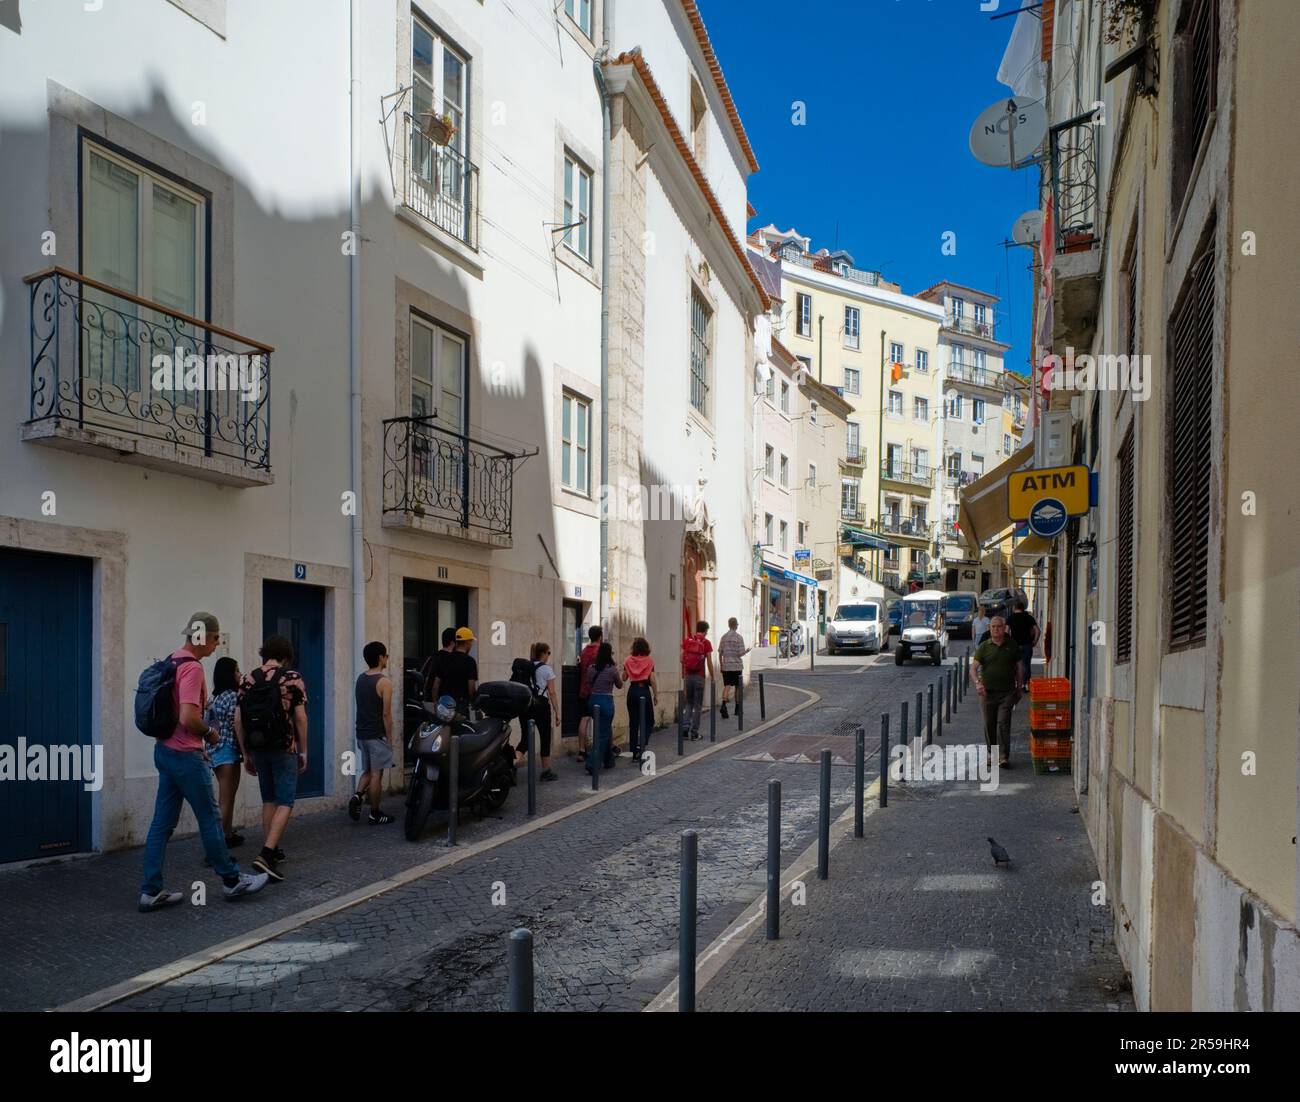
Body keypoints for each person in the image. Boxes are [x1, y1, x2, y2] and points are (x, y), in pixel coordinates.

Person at [138, 612, 268, 911]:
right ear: (204, 637)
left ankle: (150, 890)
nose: (217, 643)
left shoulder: (172, 660)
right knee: (210, 818)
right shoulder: (193, 668)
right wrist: (209, 734)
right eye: (216, 637)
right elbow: (188, 717)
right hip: (185, 756)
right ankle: (232, 880)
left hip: (165, 752)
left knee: (161, 824)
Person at [236, 634, 309, 882]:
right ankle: (267, 854)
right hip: (283, 747)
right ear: (286, 656)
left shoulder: (248, 678)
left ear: (263, 653)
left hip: (258, 748)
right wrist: (304, 750)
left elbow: (238, 718)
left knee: (268, 798)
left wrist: (246, 752)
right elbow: (300, 718)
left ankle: (272, 850)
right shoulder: (292, 678)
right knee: (286, 801)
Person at [970, 615, 1027, 768]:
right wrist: (977, 683)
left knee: (1003, 722)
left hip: (1007, 692)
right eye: (993, 627)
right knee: (989, 724)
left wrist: (1020, 686)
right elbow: (973, 668)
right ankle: (993, 754)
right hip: (987, 693)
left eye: (999, 626)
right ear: (990, 629)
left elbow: (1019, 667)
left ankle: (1003, 756)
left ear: (1004, 628)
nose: (996, 629)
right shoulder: (984, 646)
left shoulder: (1012, 645)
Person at [350, 640, 395, 825]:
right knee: (377, 774)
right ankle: (375, 813)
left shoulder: (361, 679)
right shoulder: (384, 682)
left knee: (367, 770)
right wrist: (389, 737)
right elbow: (386, 713)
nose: (387, 659)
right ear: (380, 658)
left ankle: (357, 795)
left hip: (362, 733)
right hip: (377, 734)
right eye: (386, 655)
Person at [205, 656, 244, 847]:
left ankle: (227, 834)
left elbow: (209, 724)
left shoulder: (214, 697)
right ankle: (217, 845)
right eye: (237, 671)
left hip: (215, 750)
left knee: (227, 796)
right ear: (230, 674)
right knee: (225, 799)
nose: (240, 674)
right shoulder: (232, 695)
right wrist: (245, 749)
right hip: (228, 749)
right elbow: (236, 724)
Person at [515, 642, 559, 782]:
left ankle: (511, 765)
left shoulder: (527, 667)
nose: (548, 656)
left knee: (525, 739)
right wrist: (557, 712)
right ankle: (546, 771)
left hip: (526, 705)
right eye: (548, 653)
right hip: (541, 706)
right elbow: (552, 692)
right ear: (544, 653)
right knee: (545, 737)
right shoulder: (547, 669)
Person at [584, 641, 622, 771]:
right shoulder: (612, 669)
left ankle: (609, 760)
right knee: (602, 734)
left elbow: (589, 683)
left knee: (605, 730)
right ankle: (592, 763)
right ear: (609, 654)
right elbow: (620, 685)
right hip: (606, 701)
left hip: (593, 700)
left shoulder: (591, 668)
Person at [622, 638, 658, 763]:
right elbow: (652, 679)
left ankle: (634, 751)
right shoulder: (649, 660)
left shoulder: (628, 660)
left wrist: (626, 669)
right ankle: (641, 743)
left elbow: (624, 678)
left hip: (632, 691)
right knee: (649, 720)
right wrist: (656, 695)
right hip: (644, 691)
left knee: (634, 722)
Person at [680, 620, 715, 740]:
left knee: (689, 703)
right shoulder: (706, 643)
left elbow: (681, 658)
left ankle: (684, 729)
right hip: (699, 677)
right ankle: (694, 733)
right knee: (698, 706)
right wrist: (713, 676)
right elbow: (709, 662)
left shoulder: (688, 640)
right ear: (705, 631)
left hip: (688, 676)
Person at [431, 627, 478, 712]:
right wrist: (475, 704)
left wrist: (436, 705)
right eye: (471, 642)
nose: (471, 645)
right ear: (467, 642)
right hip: (460, 707)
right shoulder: (470, 662)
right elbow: (471, 689)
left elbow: (435, 686)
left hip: (444, 706)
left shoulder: (444, 659)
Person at [576, 625, 602, 763]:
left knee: (584, 719)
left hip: (583, 689)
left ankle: (581, 750)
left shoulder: (584, 651)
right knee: (601, 720)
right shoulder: (600, 651)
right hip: (597, 690)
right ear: (600, 636)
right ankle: (600, 749)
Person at [717, 618, 748, 719]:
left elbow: (720, 652)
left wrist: (721, 664)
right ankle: (737, 708)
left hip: (726, 666)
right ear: (736, 625)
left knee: (727, 685)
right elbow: (740, 653)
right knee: (738, 687)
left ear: (729, 625)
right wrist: (747, 651)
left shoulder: (723, 637)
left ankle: (723, 704)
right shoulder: (739, 638)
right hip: (736, 666)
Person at [1007, 598, 1040, 682]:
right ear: (1023, 608)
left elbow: (1006, 631)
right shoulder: (1028, 617)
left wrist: (1008, 642)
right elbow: (1037, 630)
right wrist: (1034, 642)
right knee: (1026, 664)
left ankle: (1016, 682)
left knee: (1014, 665)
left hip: (1014, 645)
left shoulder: (1011, 617)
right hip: (1027, 644)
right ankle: (1026, 684)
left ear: (1014, 608)